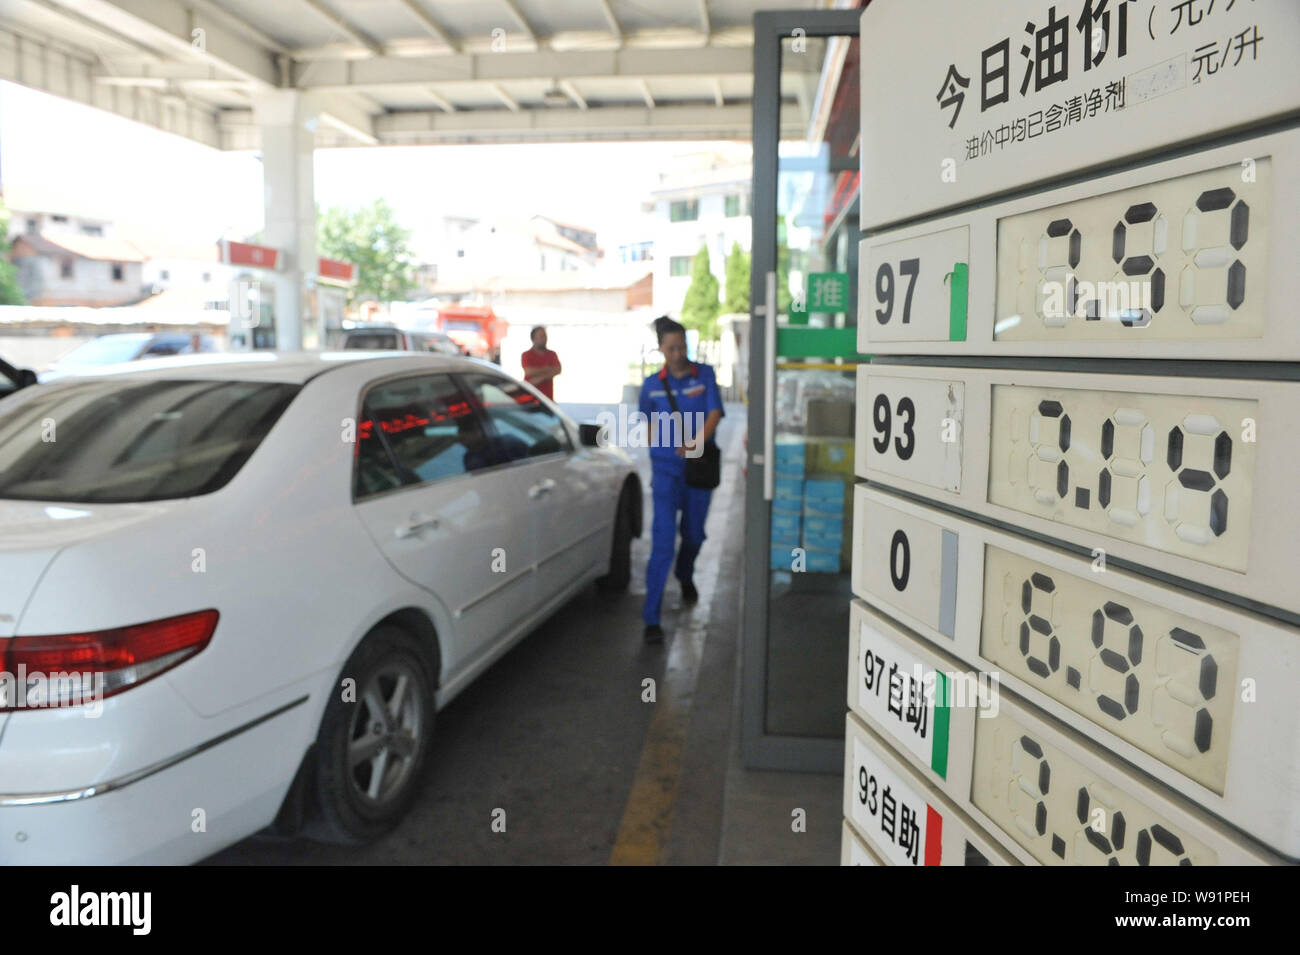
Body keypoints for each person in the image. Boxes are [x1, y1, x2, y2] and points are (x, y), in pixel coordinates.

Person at [638, 316, 724, 644]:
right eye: (671, 348)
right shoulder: (651, 385)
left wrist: (696, 443)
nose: (678, 354)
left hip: (698, 466)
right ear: (660, 348)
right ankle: (651, 617)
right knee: (662, 542)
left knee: (694, 536)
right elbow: (648, 422)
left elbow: (714, 412)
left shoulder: (704, 375)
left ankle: (685, 574)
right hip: (665, 471)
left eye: (682, 346)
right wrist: (654, 463)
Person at [520, 326, 561, 400]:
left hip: (548, 399)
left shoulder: (552, 354)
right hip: (530, 398)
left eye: (545, 336)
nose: (544, 339)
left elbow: (558, 370)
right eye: (541, 336)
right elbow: (529, 372)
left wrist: (539, 378)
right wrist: (548, 369)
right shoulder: (526, 355)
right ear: (533, 339)